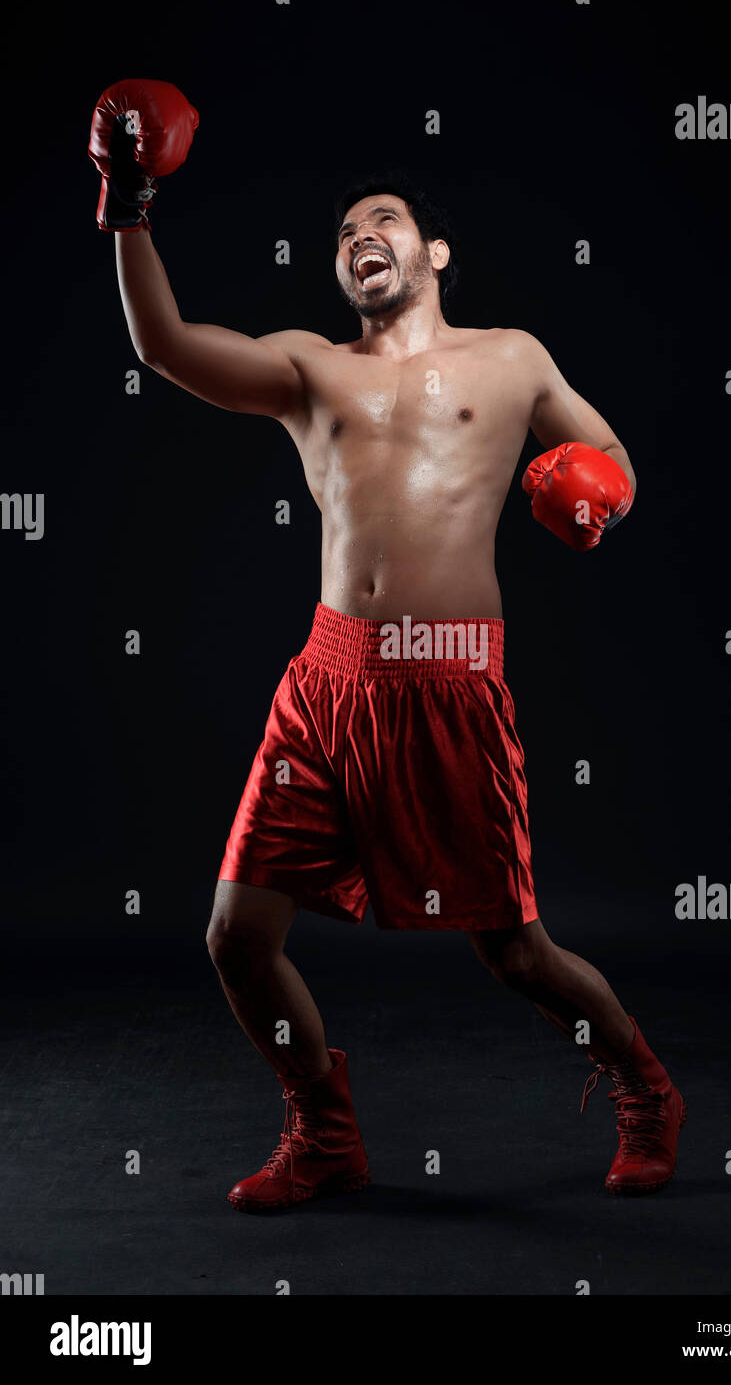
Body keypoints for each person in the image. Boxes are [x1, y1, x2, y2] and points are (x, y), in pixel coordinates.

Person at [89, 78, 686, 1210]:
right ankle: (324, 1129)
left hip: (452, 681)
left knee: (513, 952)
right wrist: (128, 203)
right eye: (347, 232)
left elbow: (610, 458)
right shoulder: (311, 368)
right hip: (326, 680)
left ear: (436, 251)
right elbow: (164, 345)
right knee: (236, 936)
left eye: (386, 221)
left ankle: (643, 1086)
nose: (364, 237)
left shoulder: (511, 357)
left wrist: (596, 488)